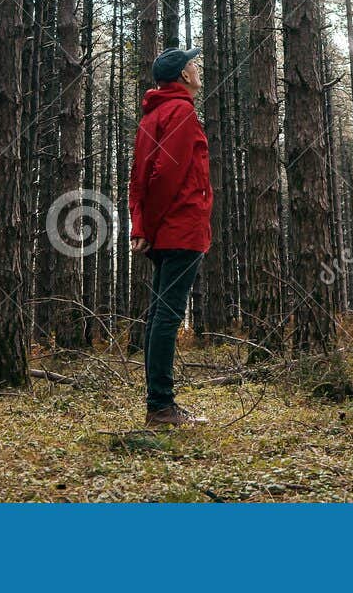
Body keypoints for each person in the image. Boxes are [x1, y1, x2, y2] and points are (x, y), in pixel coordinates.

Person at [128, 46, 212, 427]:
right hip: (180, 229)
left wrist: (141, 227)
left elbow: (137, 181)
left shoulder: (154, 115)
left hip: (165, 231)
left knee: (160, 317)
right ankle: (161, 406)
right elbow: (164, 176)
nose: (197, 68)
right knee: (166, 318)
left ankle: (159, 404)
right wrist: (152, 226)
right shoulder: (180, 112)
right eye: (193, 64)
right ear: (182, 76)